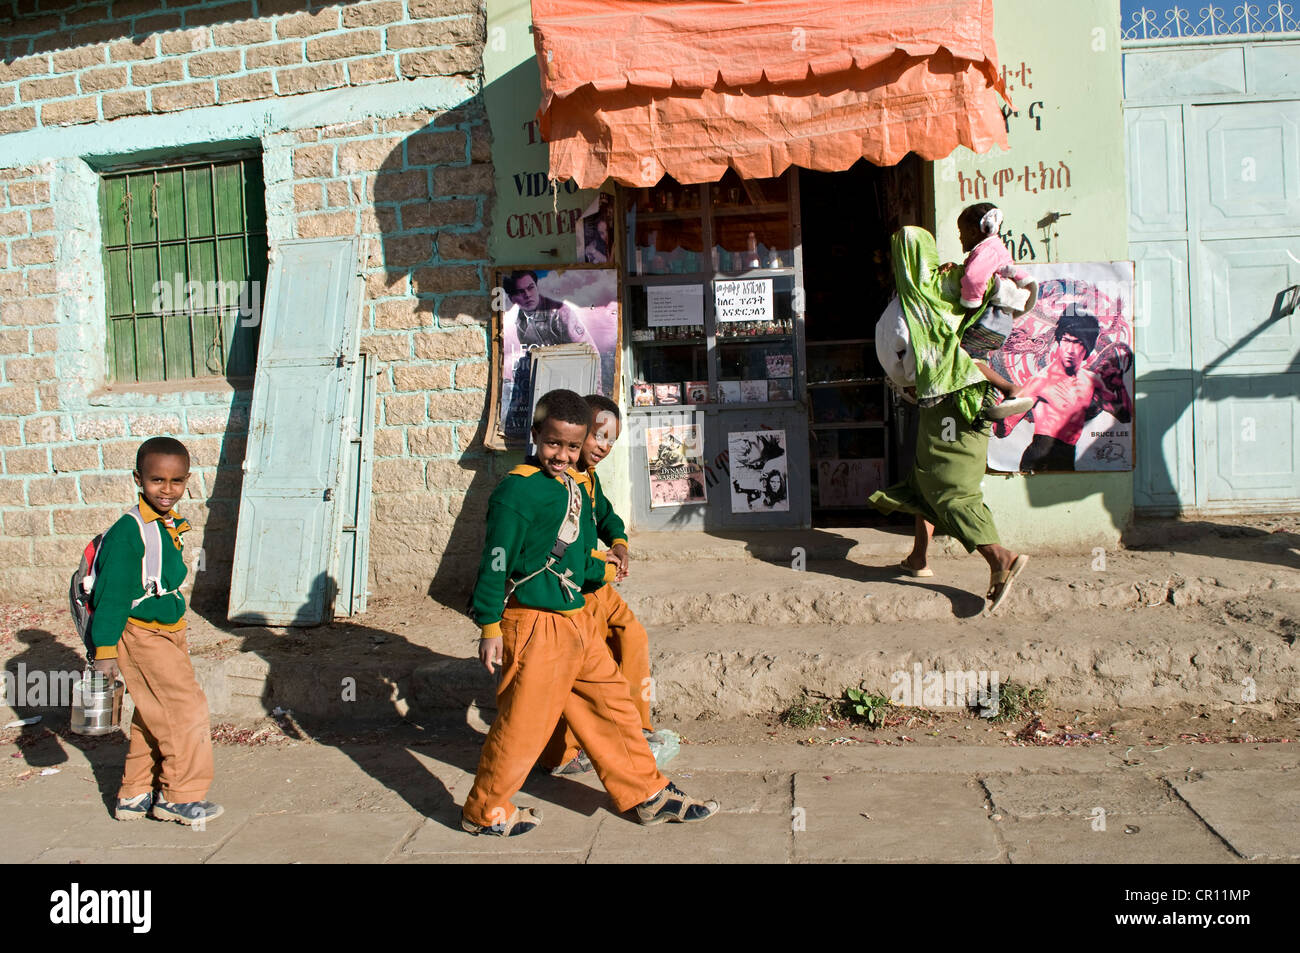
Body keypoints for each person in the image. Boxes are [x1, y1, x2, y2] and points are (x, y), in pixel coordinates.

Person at [462, 389, 718, 835]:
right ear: (536, 434)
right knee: (522, 726)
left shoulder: (572, 485)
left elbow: (578, 557)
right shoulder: (517, 491)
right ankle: (484, 812)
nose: (562, 455)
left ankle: (648, 794)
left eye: (572, 447)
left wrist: (608, 559)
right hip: (536, 626)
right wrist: (488, 625)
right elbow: (494, 560)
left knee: (614, 707)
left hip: (577, 618)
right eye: (553, 443)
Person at [870, 226, 1029, 613]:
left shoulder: (906, 308)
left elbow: (902, 363)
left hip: (953, 400)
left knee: (950, 485)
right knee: (925, 478)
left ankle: (999, 558)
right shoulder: (948, 283)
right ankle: (919, 558)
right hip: (958, 396)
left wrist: (907, 383)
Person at [540, 395, 678, 775]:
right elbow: (564, 556)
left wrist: (619, 543)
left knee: (632, 636)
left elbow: (606, 515)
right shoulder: (549, 482)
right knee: (580, 669)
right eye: (598, 436)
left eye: (612, 441)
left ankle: (638, 728)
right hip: (572, 589)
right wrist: (602, 568)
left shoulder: (589, 478)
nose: (604, 446)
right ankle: (565, 751)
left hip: (598, 584)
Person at [89, 436, 222, 825]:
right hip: (141, 635)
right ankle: (179, 797)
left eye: (176, 481)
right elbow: (112, 598)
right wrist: (105, 653)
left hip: (166, 632)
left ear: (187, 480)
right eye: (157, 481)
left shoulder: (164, 523)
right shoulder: (128, 532)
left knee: (153, 712)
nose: (167, 490)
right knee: (185, 709)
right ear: (138, 478)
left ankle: (134, 794)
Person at [994, 310, 1134, 472]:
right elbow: (1002, 431)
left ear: (1087, 346)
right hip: (1039, 458)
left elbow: (1124, 416)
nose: (1071, 349)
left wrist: (1119, 386)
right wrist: (1001, 411)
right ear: (1059, 341)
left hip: (1067, 456)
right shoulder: (1040, 382)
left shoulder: (1091, 381)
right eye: (1066, 340)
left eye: (1078, 342)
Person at [949, 202, 1037, 420]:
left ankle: (1010, 389)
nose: (961, 238)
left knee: (960, 355)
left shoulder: (987, 250)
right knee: (975, 357)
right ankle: (1005, 394)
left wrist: (969, 311)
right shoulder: (993, 248)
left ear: (973, 231)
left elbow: (974, 278)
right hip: (1000, 321)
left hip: (989, 318)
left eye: (962, 233)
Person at [501, 271, 598, 435]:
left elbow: (591, 353)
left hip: (574, 387)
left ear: (537, 287)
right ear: (512, 298)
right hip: (548, 391)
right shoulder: (521, 321)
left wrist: (592, 399)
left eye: (530, 288)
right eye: (520, 292)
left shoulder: (560, 312)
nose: (527, 295)